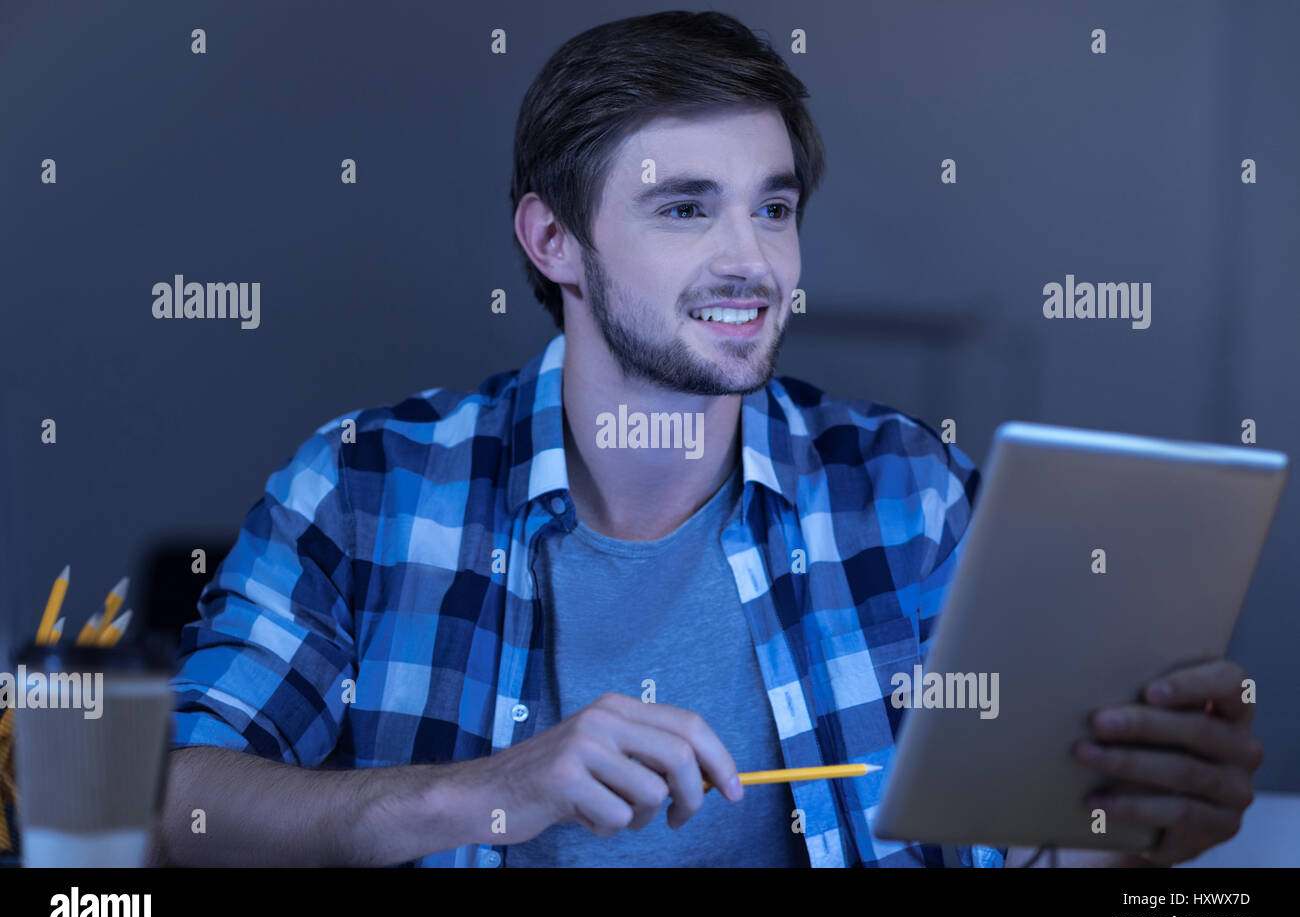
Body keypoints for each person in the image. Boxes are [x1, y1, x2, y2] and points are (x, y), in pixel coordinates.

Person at [152, 11, 1262, 868]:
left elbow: (1024, 848)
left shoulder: (910, 496)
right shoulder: (363, 485)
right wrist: (485, 788)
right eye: (685, 209)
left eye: (772, 208)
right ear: (554, 240)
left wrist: (1131, 831)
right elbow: (161, 808)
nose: (754, 263)